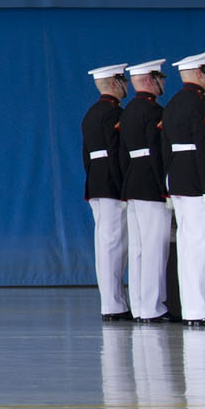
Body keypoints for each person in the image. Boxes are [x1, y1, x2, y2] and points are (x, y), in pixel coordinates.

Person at [161, 52, 205, 327]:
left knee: (188, 249)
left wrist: (167, 185)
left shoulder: (172, 104)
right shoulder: (202, 105)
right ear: (201, 73)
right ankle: (199, 310)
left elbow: (165, 149)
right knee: (200, 249)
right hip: (200, 185)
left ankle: (192, 307)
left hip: (179, 181)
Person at [116, 59, 171, 323]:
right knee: (154, 247)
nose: (164, 84)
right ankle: (153, 307)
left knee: (138, 248)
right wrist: (165, 188)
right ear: (152, 80)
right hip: (150, 185)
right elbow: (158, 153)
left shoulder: (126, 112)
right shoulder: (154, 112)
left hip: (133, 184)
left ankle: (139, 305)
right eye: (161, 78)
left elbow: (122, 156)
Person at [81, 64, 131, 321]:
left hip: (97, 183)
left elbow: (87, 157)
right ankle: (113, 304)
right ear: (115, 83)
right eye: (124, 81)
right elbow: (116, 153)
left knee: (106, 244)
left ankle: (113, 302)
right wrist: (123, 187)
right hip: (112, 185)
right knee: (114, 245)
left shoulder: (91, 114)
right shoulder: (114, 114)